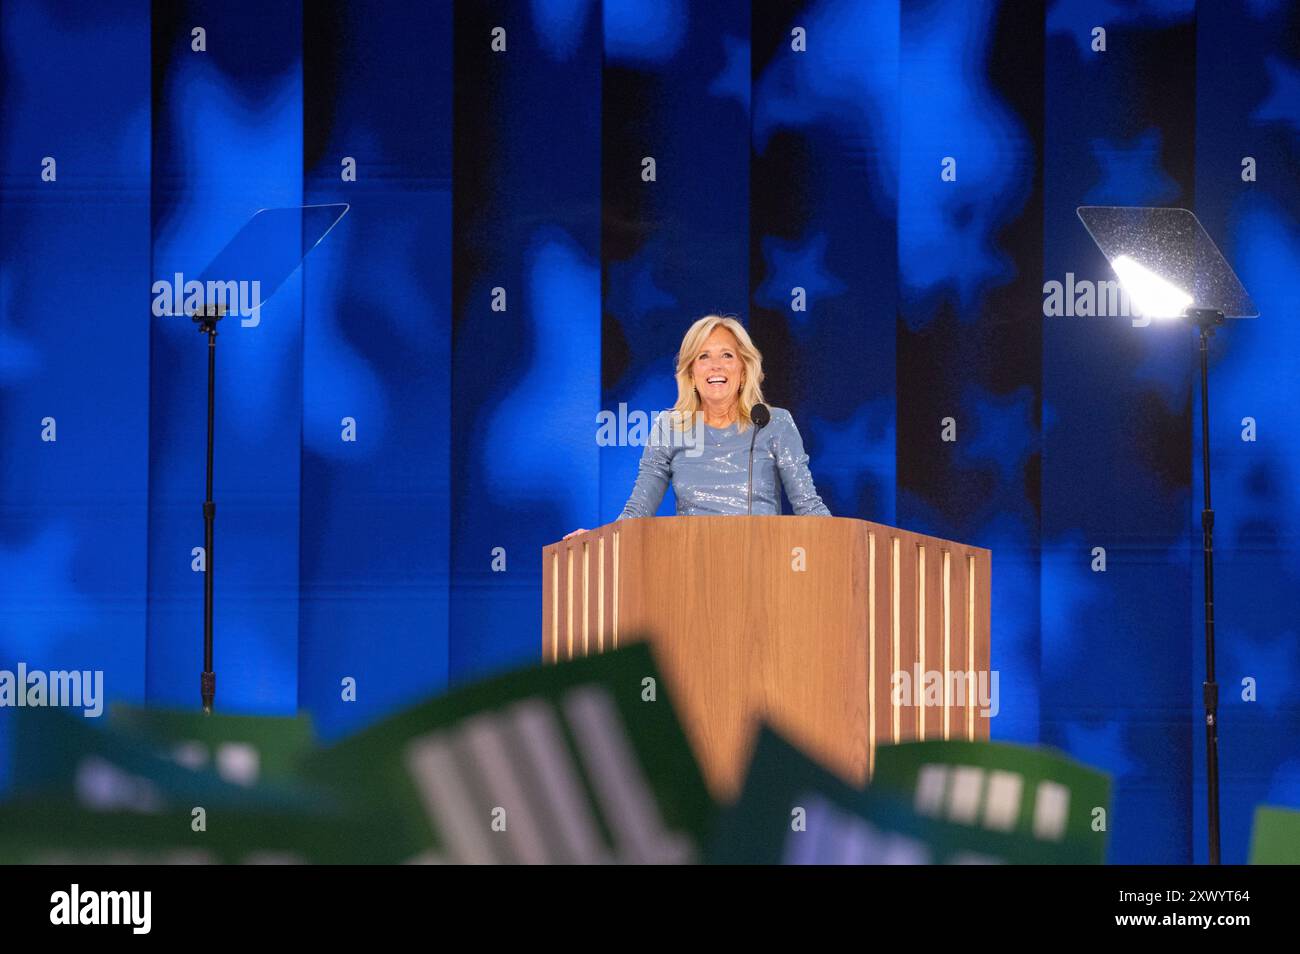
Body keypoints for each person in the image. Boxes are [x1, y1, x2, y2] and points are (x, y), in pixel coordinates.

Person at [564, 315, 829, 539]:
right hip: (690, 573)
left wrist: (846, 540)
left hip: (765, 569)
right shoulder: (670, 427)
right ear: (691, 372)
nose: (716, 366)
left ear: (744, 369)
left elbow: (808, 506)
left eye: (727, 355)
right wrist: (598, 540)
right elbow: (637, 512)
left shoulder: (774, 423)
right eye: (703, 356)